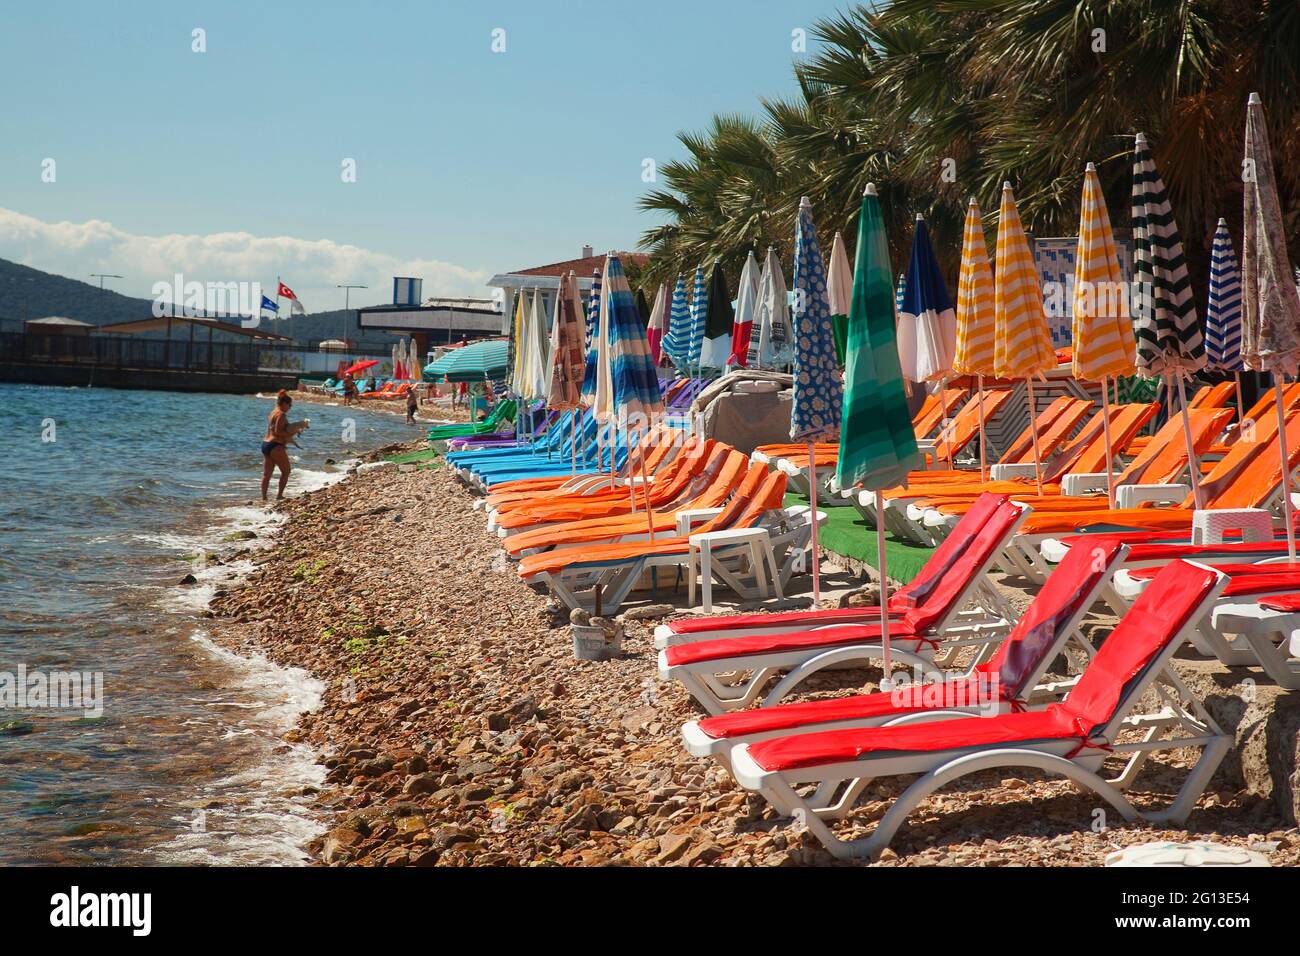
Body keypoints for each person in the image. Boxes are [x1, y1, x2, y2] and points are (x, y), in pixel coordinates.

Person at [261, 390, 308, 503]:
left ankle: (264, 498)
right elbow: (277, 432)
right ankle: (279, 495)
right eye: (289, 405)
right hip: (276, 445)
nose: (290, 407)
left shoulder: (273, 412)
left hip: (266, 444)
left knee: (267, 474)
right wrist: (293, 432)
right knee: (286, 472)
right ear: (284, 404)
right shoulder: (281, 414)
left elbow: (273, 430)